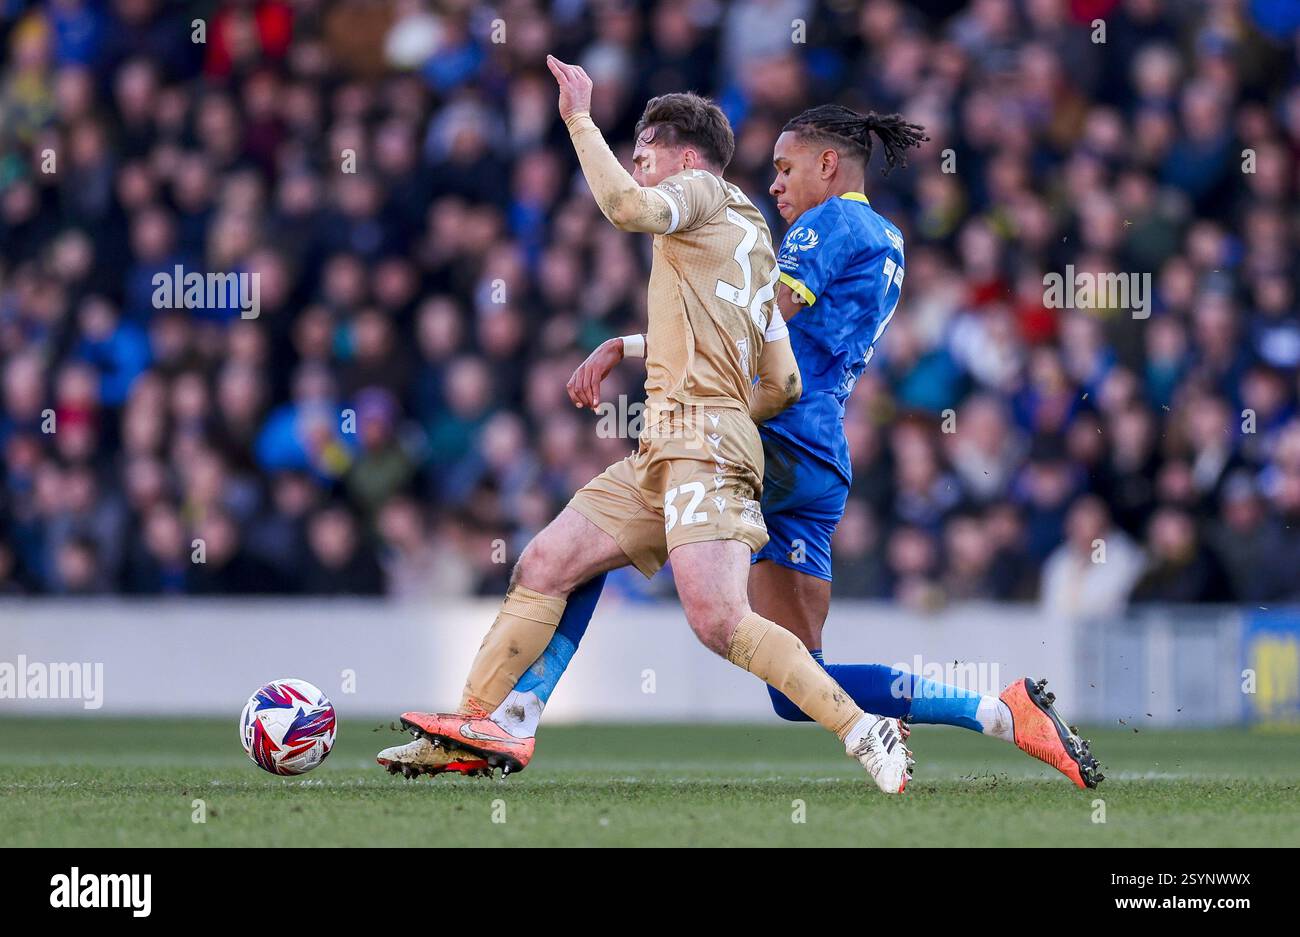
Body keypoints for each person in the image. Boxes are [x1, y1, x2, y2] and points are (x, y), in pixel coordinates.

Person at [378, 58, 914, 794]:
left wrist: (578, 118)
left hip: (701, 442)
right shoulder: (753, 241)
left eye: (644, 153)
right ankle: (476, 727)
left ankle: (861, 726)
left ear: (685, 157)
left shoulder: (699, 189)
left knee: (718, 620)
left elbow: (626, 207)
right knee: (546, 562)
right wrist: (665, 368)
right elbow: (784, 378)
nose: (636, 166)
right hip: (670, 441)